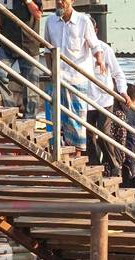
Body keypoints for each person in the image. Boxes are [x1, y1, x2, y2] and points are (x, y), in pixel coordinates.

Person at [43, 0, 104, 152]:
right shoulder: (50, 21)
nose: (59, 2)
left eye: (63, 0)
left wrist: (100, 60)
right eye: (57, 0)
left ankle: (76, 154)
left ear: (72, 1)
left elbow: (95, 45)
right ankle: (55, 150)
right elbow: (47, 50)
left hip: (77, 79)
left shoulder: (83, 20)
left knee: (76, 121)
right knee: (54, 118)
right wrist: (51, 71)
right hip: (57, 77)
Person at [85, 36, 127, 176]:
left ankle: (114, 165)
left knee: (103, 132)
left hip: (104, 98)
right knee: (88, 134)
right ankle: (94, 166)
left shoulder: (104, 48)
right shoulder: (78, 48)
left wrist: (123, 92)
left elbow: (117, 73)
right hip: (85, 97)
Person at [0, 0, 42, 120]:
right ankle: (10, 111)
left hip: (29, 46)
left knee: (31, 86)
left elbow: (38, 14)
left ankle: (29, 119)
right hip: (7, 45)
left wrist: (27, 1)